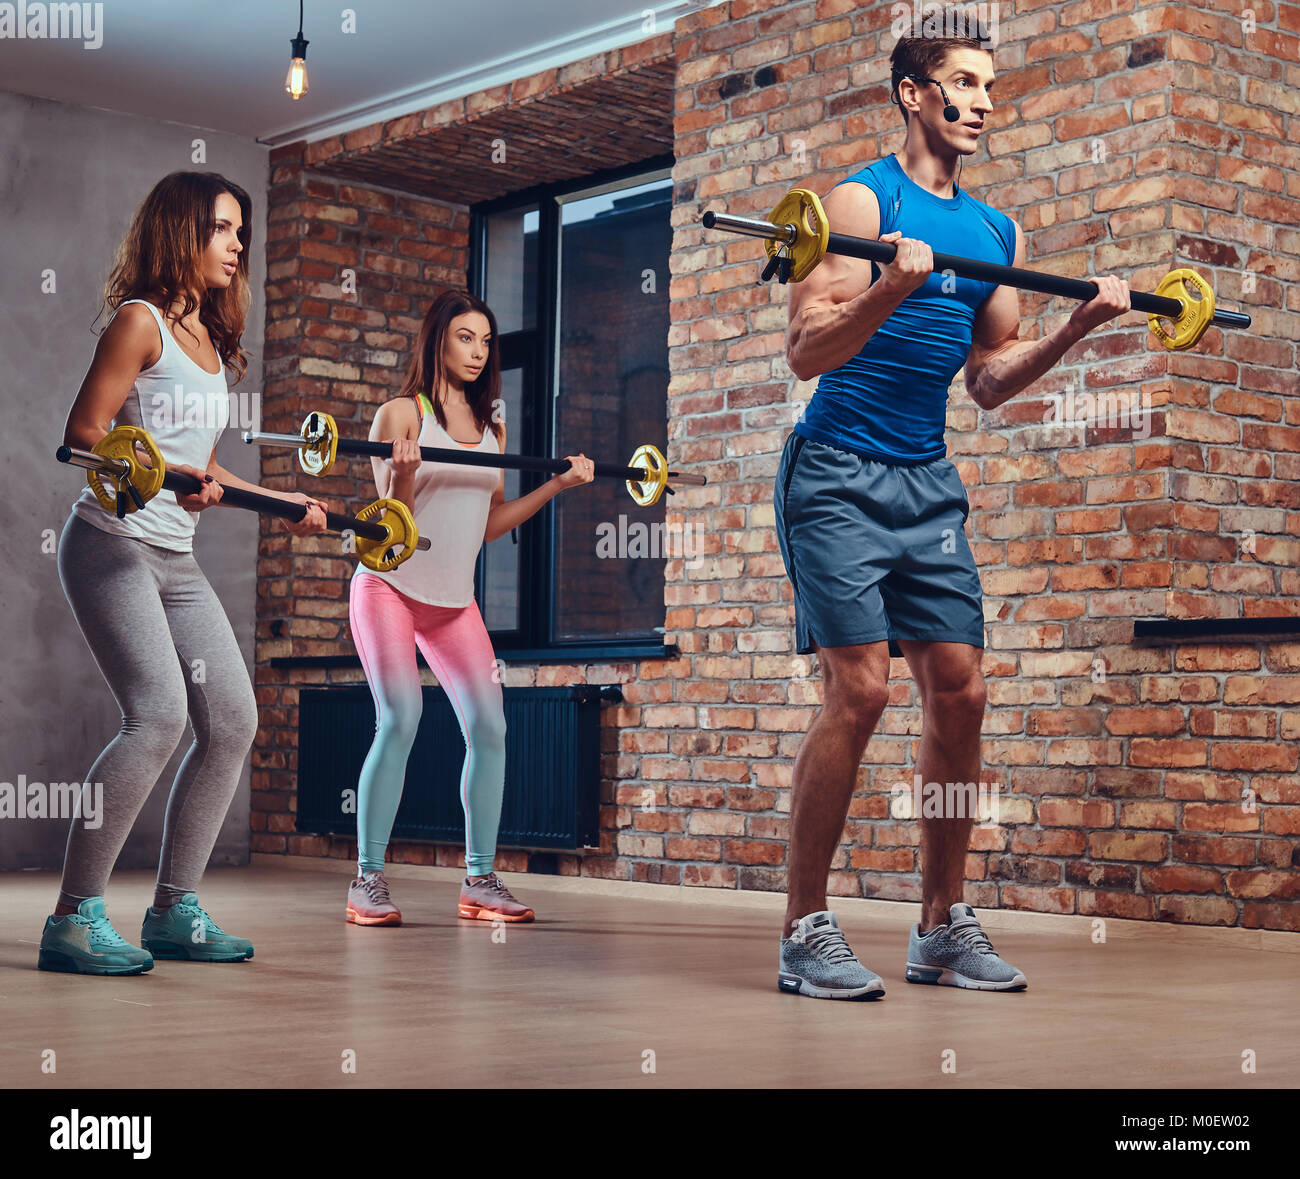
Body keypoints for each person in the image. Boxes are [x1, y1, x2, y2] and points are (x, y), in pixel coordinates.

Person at [774, 35, 1132, 998]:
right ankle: (805, 928)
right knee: (861, 689)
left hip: (926, 479)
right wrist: (892, 284)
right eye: (962, 85)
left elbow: (985, 381)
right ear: (911, 93)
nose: (980, 103)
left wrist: (1074, 325)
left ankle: (938, 926)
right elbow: (807, 351)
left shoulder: (997, 232)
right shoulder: (859, 204)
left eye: (988, 89)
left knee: (962, 690)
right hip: (838, 471)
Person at [41, 171, 329, 976]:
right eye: (225, 229)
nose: (239, 245)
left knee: (233, 720)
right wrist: (173, 479)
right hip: (111, 546)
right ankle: (73, 916)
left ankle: (173, 910)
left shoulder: (210, 344)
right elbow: (86, 436)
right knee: (158, 716)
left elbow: (204, 470)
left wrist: (287, 501)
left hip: (175, 556)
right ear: (182, 231)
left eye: (242, 231)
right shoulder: (140, 324)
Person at [345, 290, 594, 928]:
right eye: (465, 337)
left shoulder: (493, 429)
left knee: (491, 729)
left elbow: (489, 525)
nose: (479, 352)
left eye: (486, 341)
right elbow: (387, 523)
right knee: (401, 717)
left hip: (454, 603)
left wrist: (557, 484)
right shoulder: (400, 414)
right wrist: (403, 474)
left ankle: (479, 879)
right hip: (389, 588)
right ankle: (367, 878)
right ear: (438, 341)